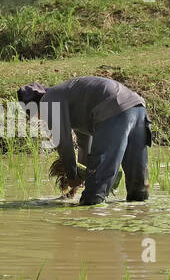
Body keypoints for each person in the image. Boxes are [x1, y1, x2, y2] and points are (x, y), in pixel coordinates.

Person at [17, 76, 152, 206]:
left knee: (94, 196)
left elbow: (64, 143)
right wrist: (81, 176)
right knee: (138, 191)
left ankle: (90, 225)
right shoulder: (70, 98)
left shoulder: (49, 101)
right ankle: (139, 216)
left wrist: (71, 177)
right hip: (137, 107)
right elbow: (84, 144)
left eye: (36, 115)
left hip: (113, 110)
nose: (40, 119)